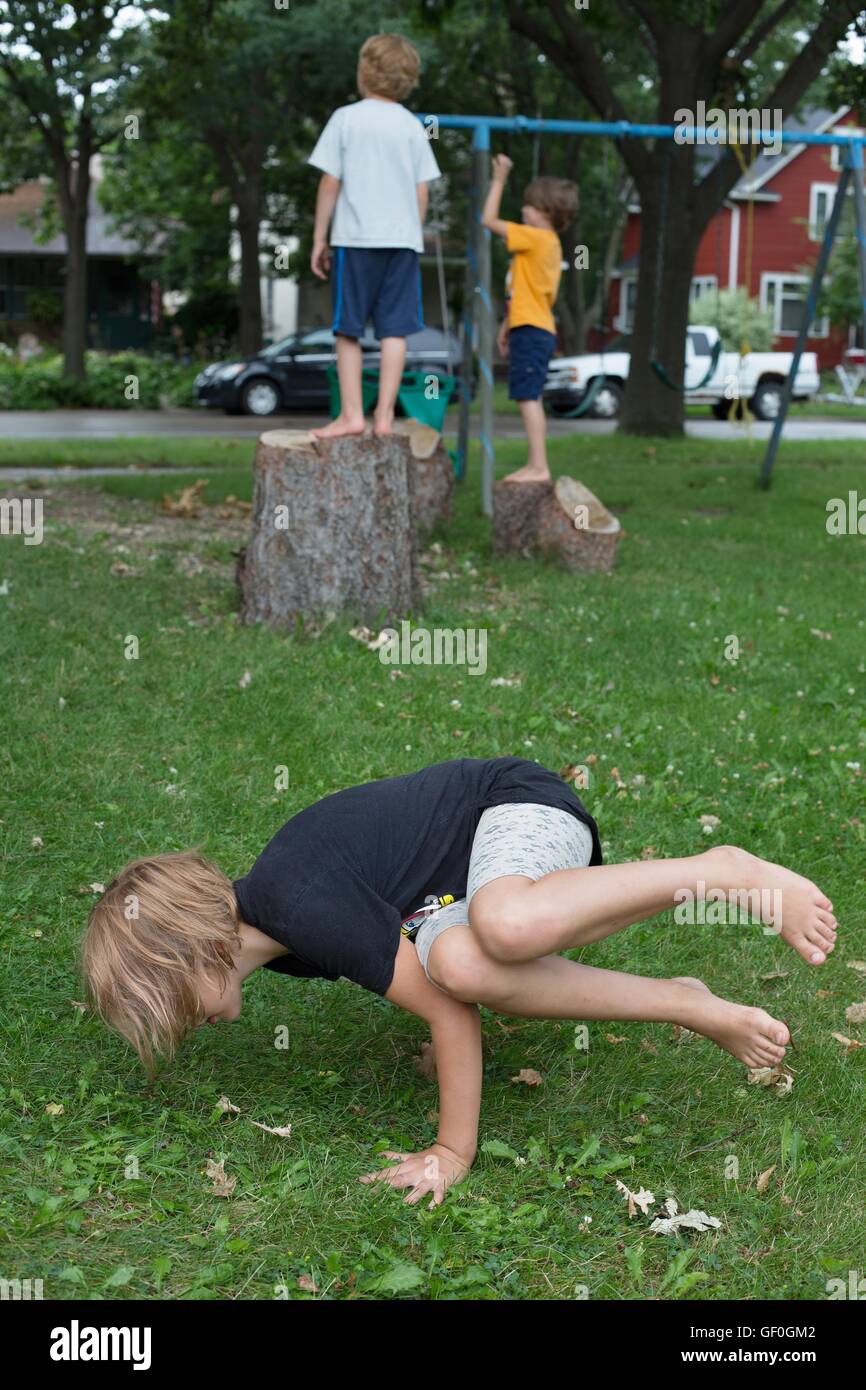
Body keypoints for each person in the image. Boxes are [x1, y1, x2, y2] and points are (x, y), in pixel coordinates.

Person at [82, 756, 836, 1209]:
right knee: (465, 961)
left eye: (176, 1007)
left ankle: (720, 871)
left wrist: (452, 1152)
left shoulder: (294, 898)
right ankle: (688, 1002)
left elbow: (449, 1016)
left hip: (514, 809)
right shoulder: (283, 935)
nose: (186, 1025)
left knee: (503, 929)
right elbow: (435, 971)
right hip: (454, 896)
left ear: (196, 955)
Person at [307, 33, 441, 439]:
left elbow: (330, 181)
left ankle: (352, 415)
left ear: (364, 72)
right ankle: (385, 414)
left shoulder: (346, 118)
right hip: (402, 243)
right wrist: (412, 232)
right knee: (394, 331)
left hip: (356, 239)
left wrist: (319, 238)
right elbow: (422, 189)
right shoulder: (413, 126)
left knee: (348, 330)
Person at [482, 154, 577, 483]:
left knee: (527, 396)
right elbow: (525, 292)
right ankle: (536, 464)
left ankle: (539, 466)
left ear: (547, 213)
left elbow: (488, 220)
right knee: (527, 394)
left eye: (531, 207)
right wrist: (506, 325)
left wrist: (499, 178)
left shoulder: (536, 238)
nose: (524, 211)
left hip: (534, 330)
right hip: (530, 326)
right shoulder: (544, 245)